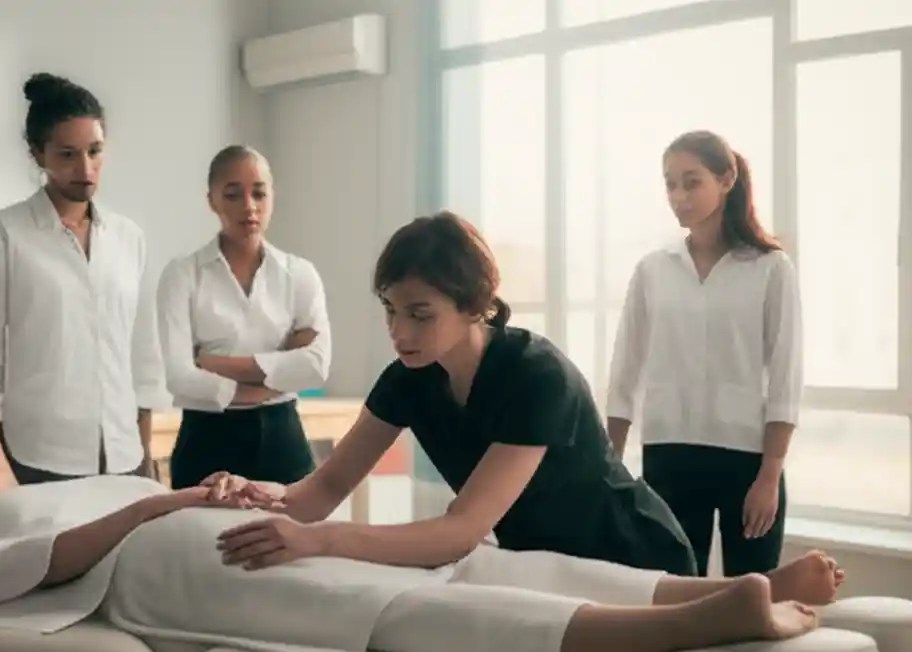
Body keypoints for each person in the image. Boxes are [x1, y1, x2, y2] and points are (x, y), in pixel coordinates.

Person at [0, 413, 844, 652]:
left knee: (479, 561)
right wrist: (172, 502)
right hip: (203, 570)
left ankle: (727, 589)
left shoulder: (75, 485)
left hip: (234, 529)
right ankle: (694, 626)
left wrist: (230, 491)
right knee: (420, 611)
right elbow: (52, 566)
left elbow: (159, 504)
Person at [203, 211, 700, 576]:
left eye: (420, 315)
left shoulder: (537, 376)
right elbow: (324, 489)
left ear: (475, 305)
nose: (399, 332)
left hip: (634, 557)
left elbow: (460, 532)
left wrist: (320, 540)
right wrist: (256, 495)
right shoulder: (409, 377)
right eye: (390, 310)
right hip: (543, 564)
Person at [606, 130, 803, 577]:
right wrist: (610, 469)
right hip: (668, 456)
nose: (678, 196)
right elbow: (624, 373)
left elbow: (786, 379)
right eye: (670, 184)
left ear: (727, 178)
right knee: (672, 600)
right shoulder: (652, 269)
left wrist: (770, 476)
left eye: (691, 182)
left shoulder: (772, 269)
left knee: (751, 598)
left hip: (748, 460)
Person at [0, 72, 165, 485]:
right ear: (38, 154)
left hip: (123, 453)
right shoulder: (3, 233)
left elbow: (143, 354)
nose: (85, 168)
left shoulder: (129, 238)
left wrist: (143, 453)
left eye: (95, 151)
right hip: (37, 455)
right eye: (68, 154)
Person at [157, 145, 330, 489]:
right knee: (202, 542)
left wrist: (212, 363)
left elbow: (316, 365)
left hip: (282, 438)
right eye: (233, 194)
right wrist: (278, 370)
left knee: (293, 539)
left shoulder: (299, 274)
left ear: (272, 197)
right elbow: (178, 376)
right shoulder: (183, 274)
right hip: (207, 439)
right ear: (212, 201)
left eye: (259, 193)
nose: (249, 206)